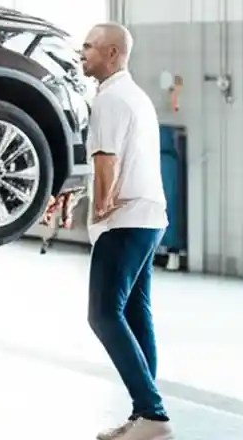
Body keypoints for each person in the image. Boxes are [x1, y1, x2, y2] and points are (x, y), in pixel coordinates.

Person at [66, 22, 174, 440]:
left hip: (125, 221)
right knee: (133, 312)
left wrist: (101, 207)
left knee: (103, 313)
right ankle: (145, 413)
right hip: (149, 218)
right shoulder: (136, 96)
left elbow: (106, 161)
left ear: (112, 53)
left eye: (89, 47)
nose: (83, 54)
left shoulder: (111, 99)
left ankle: (153, 412)